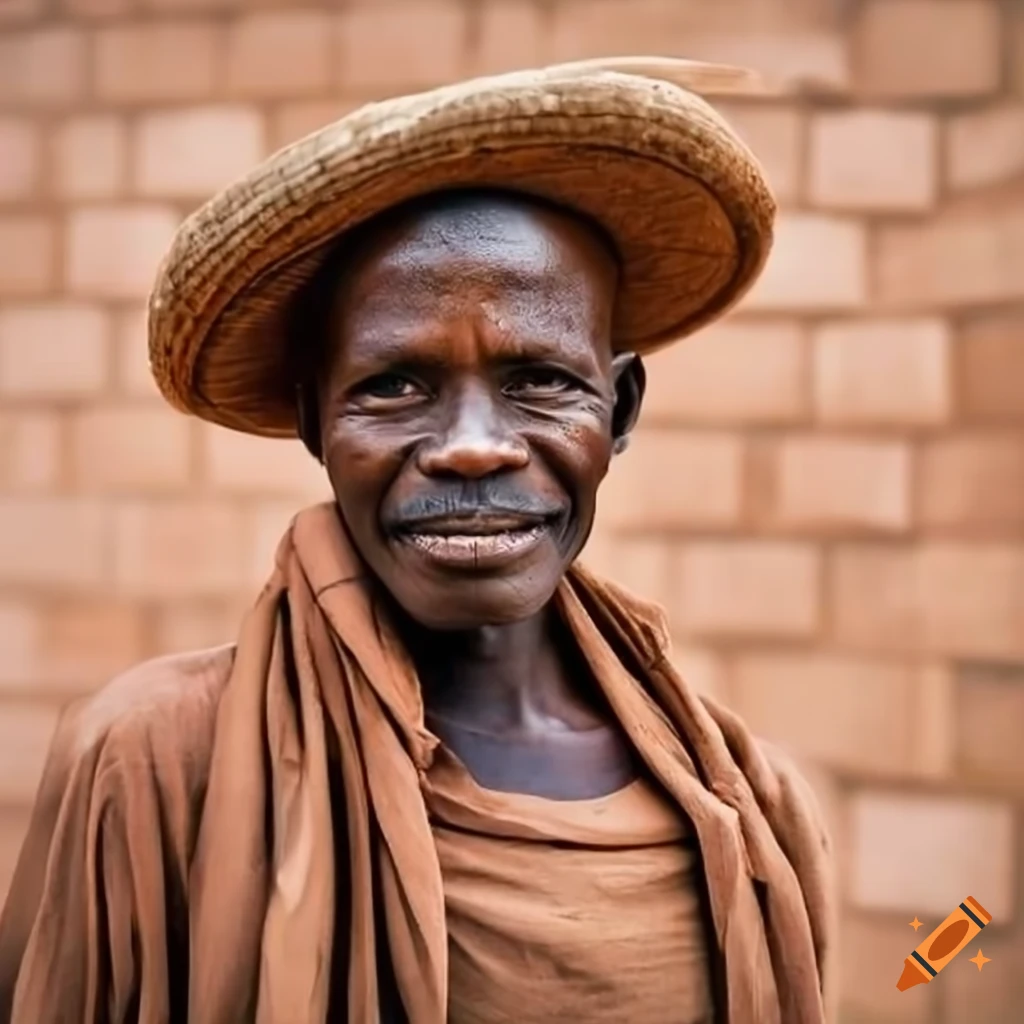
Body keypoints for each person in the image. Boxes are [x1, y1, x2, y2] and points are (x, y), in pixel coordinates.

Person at [0, 58, 833, 1024]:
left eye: (542, 380)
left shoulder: (752, 811)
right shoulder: (154, 763)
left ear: (621, 406)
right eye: (395, 384)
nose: (475, 447)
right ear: (317, 423)